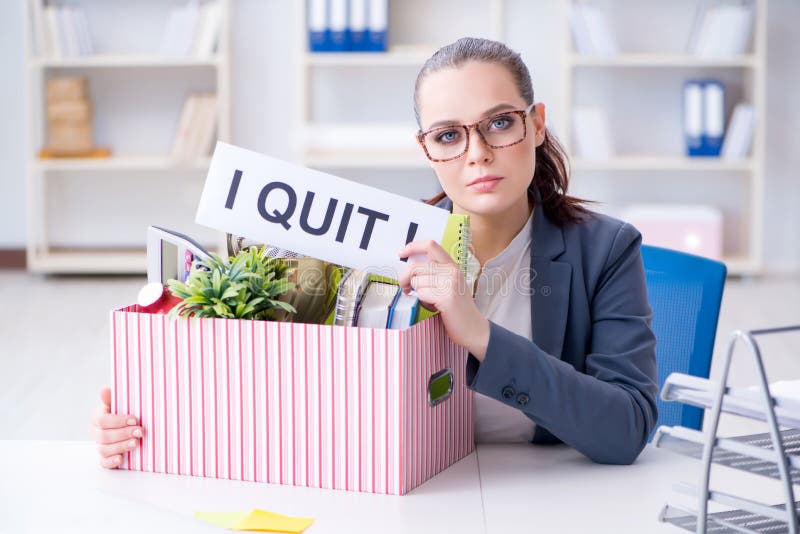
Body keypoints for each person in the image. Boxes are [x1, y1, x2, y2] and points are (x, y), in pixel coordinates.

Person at [92, 37, 657, 468]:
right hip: (399, 491)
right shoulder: (375, 247)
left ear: (535, 125)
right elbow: (288, 394)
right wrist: (145, 418)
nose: (478, 154)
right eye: (449, 135)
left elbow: (627, 428)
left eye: (500, 124)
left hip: (539, 495)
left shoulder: (605, 249)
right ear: (427, 149)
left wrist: (478, 332)